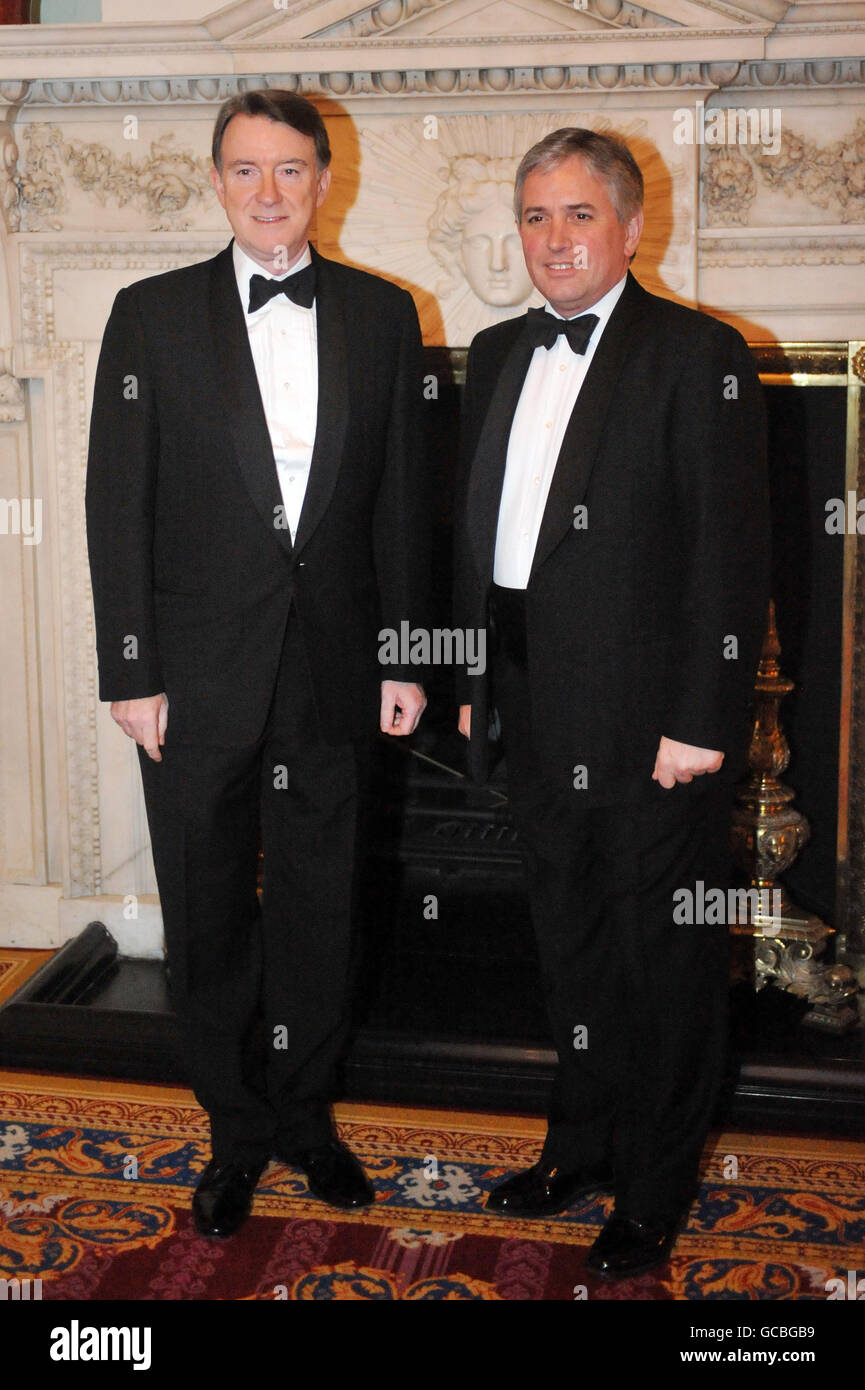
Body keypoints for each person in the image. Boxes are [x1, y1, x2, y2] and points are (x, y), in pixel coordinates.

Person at [86, 90, 428, 1239]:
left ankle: (305, 1117)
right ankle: (233, 1128)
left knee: (325, 904)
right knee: (208, 906)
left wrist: (407, 654)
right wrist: (131, 668)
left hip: (335, 669)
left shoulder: (387, 315)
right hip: (191, 677)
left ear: (326, 179)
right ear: (217, 181)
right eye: (245, 171)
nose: (268, 192)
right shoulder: (150, 315)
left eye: (289, 170)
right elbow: (111, 505)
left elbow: (402, 506)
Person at [453, 127, 770, 1277]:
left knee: (664, 961)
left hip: (652, 728)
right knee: (570, 943)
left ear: (634, 229)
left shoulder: (699, 355)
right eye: (535, 214)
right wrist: (472, 682)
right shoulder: (494, 354)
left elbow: (730, 563)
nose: (554, 237)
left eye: (577, 214)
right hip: (532, 707)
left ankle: (654, 1184)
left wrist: (700, 720)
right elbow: (480, 540)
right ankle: (578, 1144)